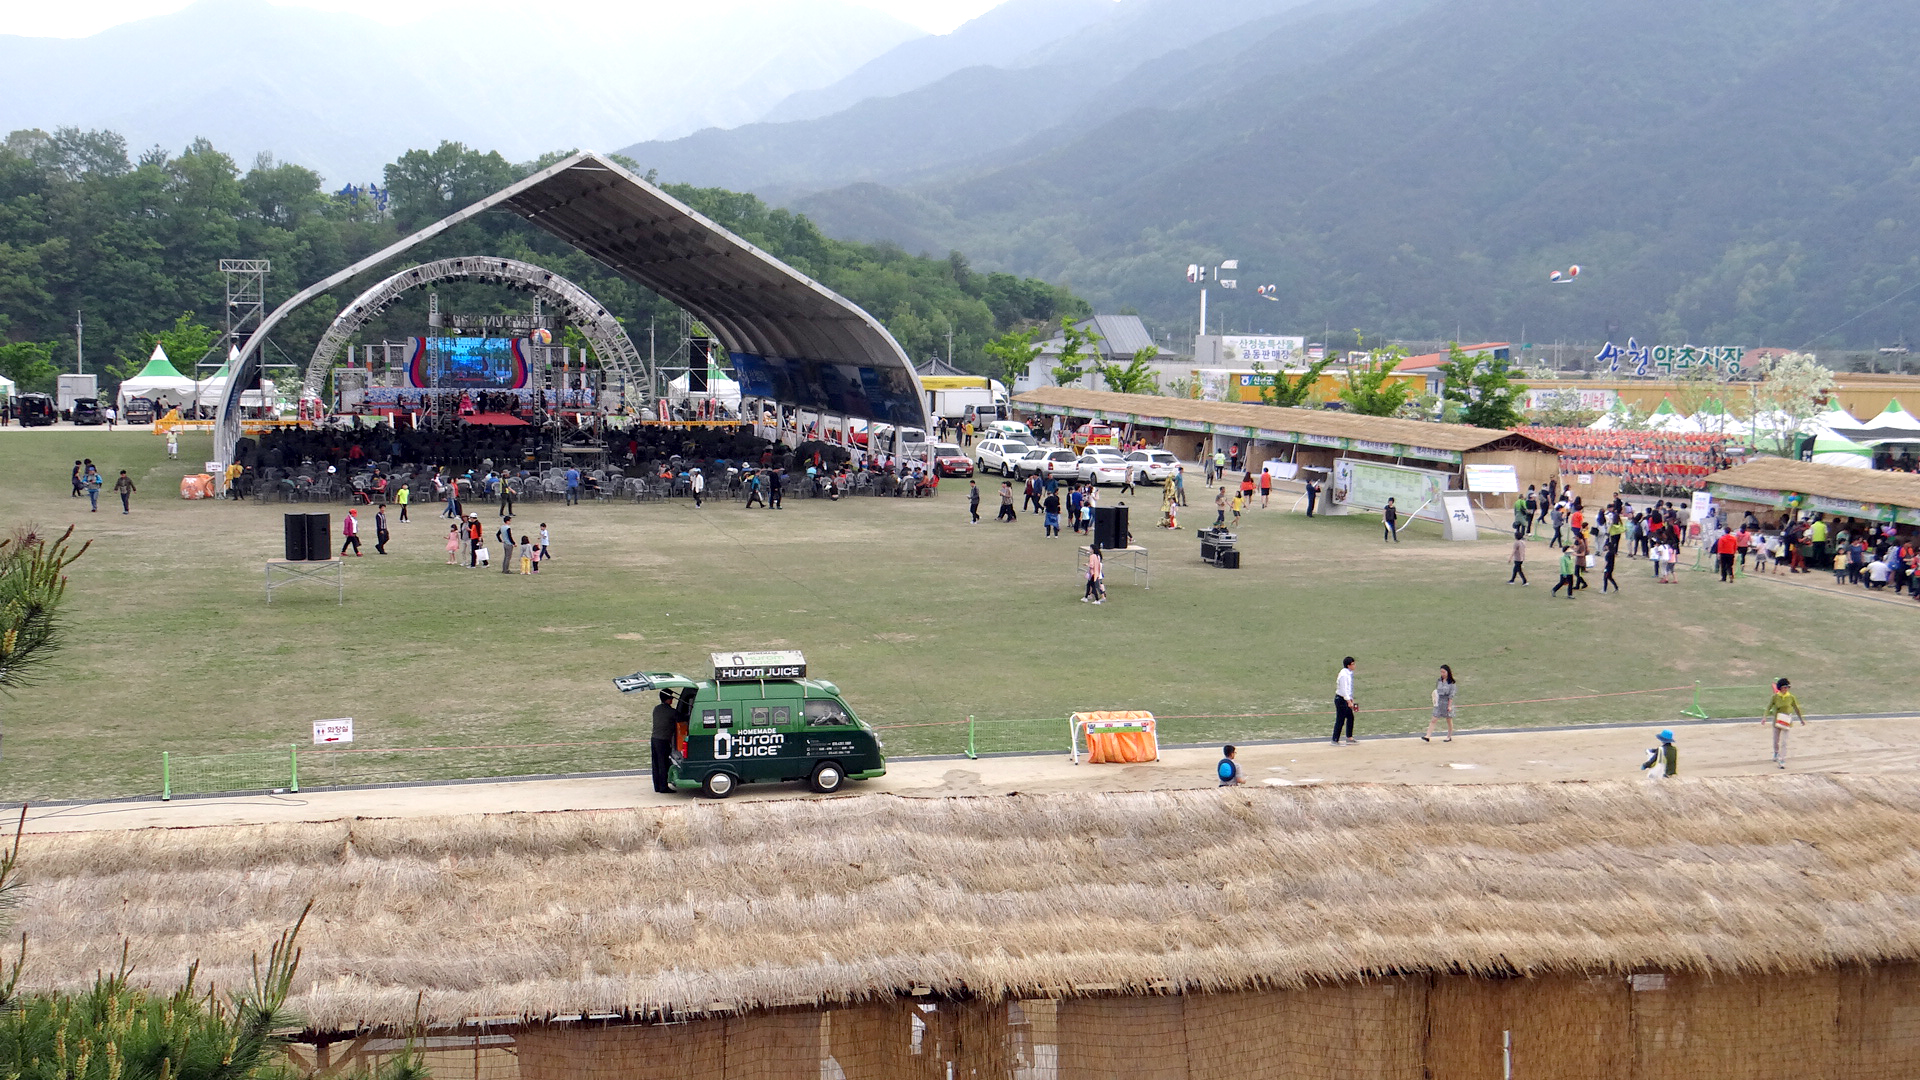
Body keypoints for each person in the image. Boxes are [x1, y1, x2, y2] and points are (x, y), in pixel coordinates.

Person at [1766, 678, 1805, 768]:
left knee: (1784, 741)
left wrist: (1801, 719)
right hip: (1777, 720)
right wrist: (1765, 717)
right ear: (1780, 688)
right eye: (1784, 687)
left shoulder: (1791, 697)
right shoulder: (1775, 697)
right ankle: (1776, 752)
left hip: (1786, 721)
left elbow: (1796, 708)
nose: (1786, 689)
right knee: (1776, 740)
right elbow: (1768, 707)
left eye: (1787, 687)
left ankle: (1782, 759)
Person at [651, 691, 679, 793]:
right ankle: (663, 787)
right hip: (663, 740)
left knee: (656, 764)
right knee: (663, 764)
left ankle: (657, 786)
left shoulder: (656, 709)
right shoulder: (671, 712)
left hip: (654, 739)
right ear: (668, 699)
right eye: (671, 697)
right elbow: (682, 718)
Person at [1423, 664, 1457, 743]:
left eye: (1444, 672)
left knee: (1448, 720)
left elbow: (1451, 695)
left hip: (1447, 702)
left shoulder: (1451, 683)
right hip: (1439, 702)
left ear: (1448, 672)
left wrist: (1449, 706)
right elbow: (1436, 691)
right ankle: (1427, 736)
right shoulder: (1439, 681)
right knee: (1434, 719)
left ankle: (1449, 736)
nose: (1442, 674)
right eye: (1441, 672)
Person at [1332, 657, 1358, 745]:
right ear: (1348, 665)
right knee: (1340, 720)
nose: (1354, 666)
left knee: (1350, 717)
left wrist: (1351, 698)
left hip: (1345, 699)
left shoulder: (1349, 673)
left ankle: (1349, 737)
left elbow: (1348, 688)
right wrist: (1348, 701)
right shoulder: (1344, 675)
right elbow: (1343, 690)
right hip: (1341, 699)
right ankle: (1335, 739)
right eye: (1353, 664)